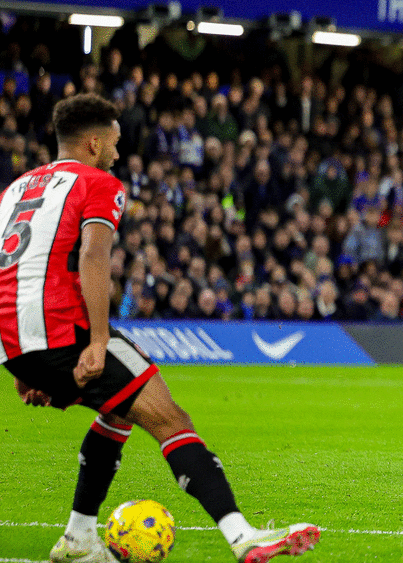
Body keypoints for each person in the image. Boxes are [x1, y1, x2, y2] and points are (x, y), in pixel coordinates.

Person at [1, 94, 320, 563]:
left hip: (16, 337)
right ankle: (242, 537)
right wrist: (97, 338)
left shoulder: (16, 189)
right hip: (63, 327)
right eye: (112, 142)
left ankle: (78, 538)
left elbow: (10, 269)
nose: (117, 152)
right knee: (170, 419)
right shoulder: (98, 182)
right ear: (92, 143)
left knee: (118, 411)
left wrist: (21, 363)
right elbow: (93, 256)